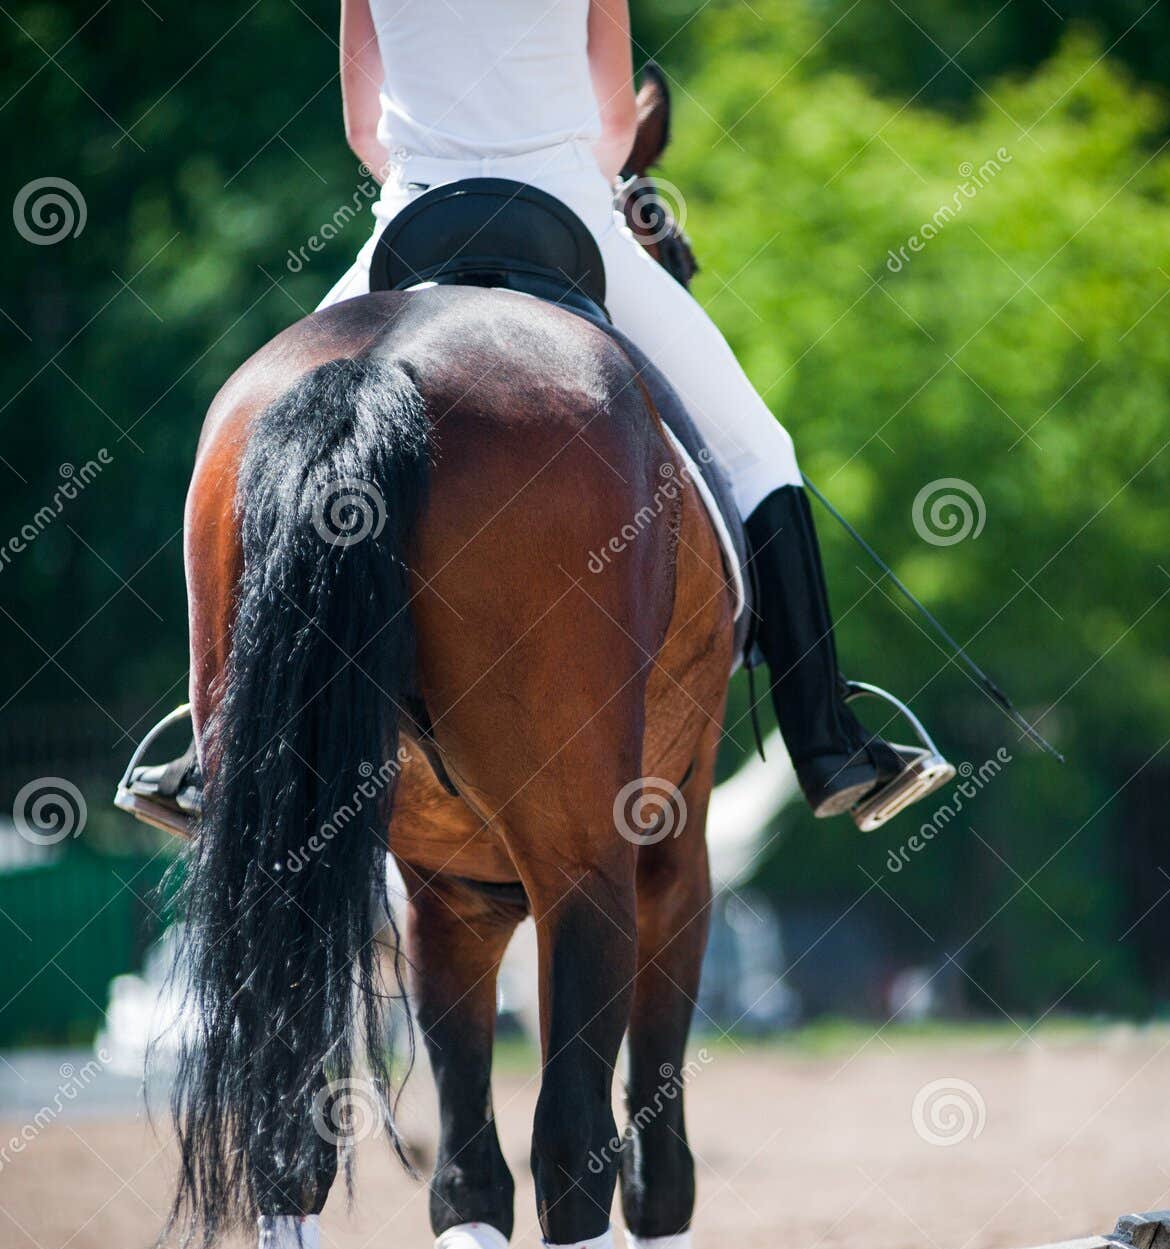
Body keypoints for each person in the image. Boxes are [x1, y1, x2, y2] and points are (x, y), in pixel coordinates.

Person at [124, 0, 950, 829]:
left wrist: (440, 163)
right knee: (761, 447)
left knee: (257, 437)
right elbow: (619, 124)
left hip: (412, 221)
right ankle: (825, 741)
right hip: (566, 214)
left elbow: (363, 132)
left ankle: (216, 751)